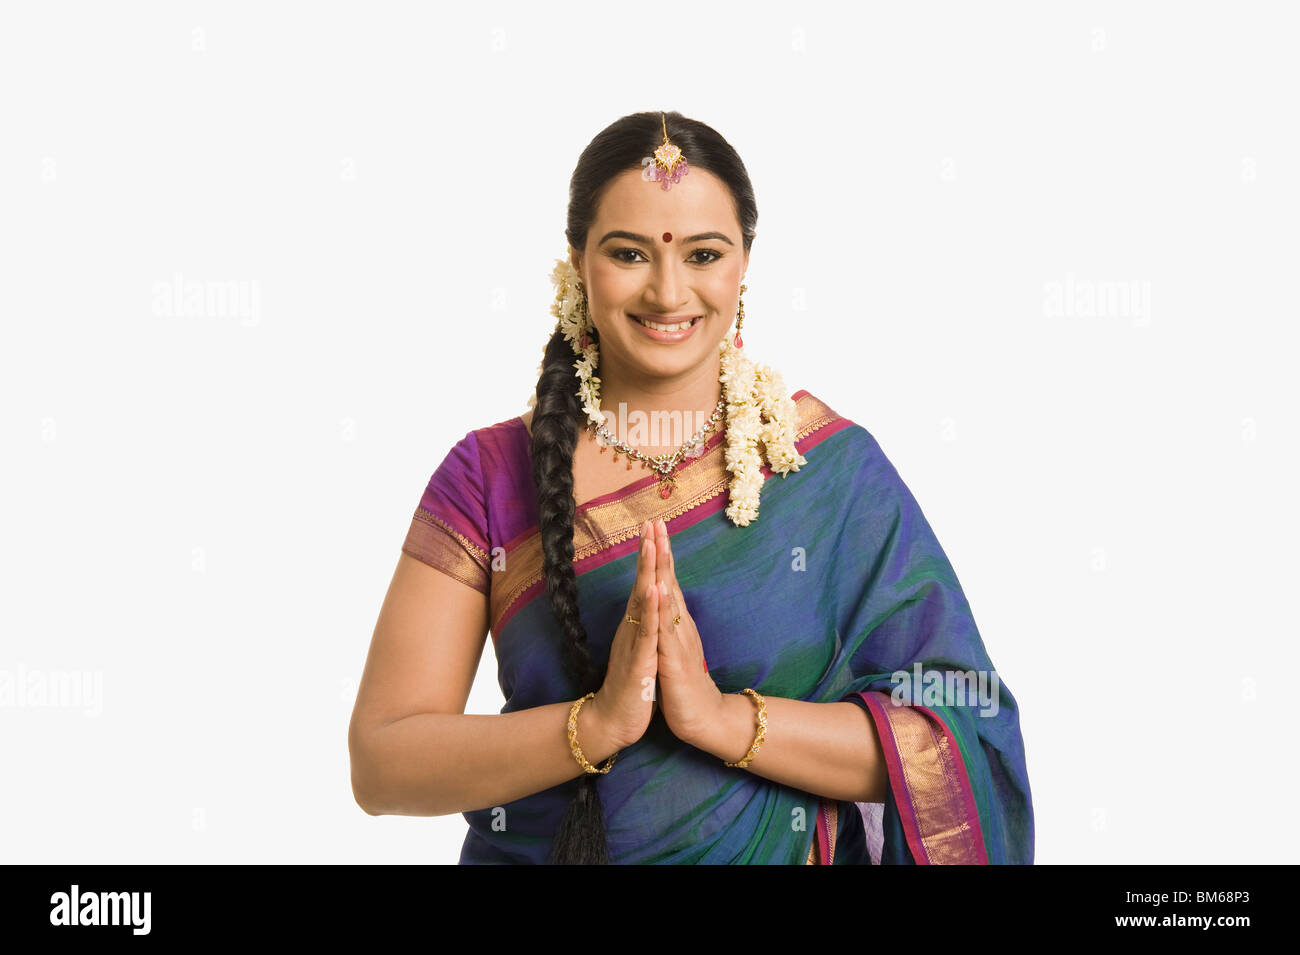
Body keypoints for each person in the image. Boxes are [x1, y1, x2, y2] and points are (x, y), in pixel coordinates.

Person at [348, 110, 1034, 864]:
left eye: (703, 253)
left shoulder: (824, 469)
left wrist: (718, 718)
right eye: (629, 254)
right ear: (578, 263)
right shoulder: (489, 476)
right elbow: (383, 763)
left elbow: (952, 731)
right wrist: (597, 724)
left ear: (744, 264)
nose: (668, 291)